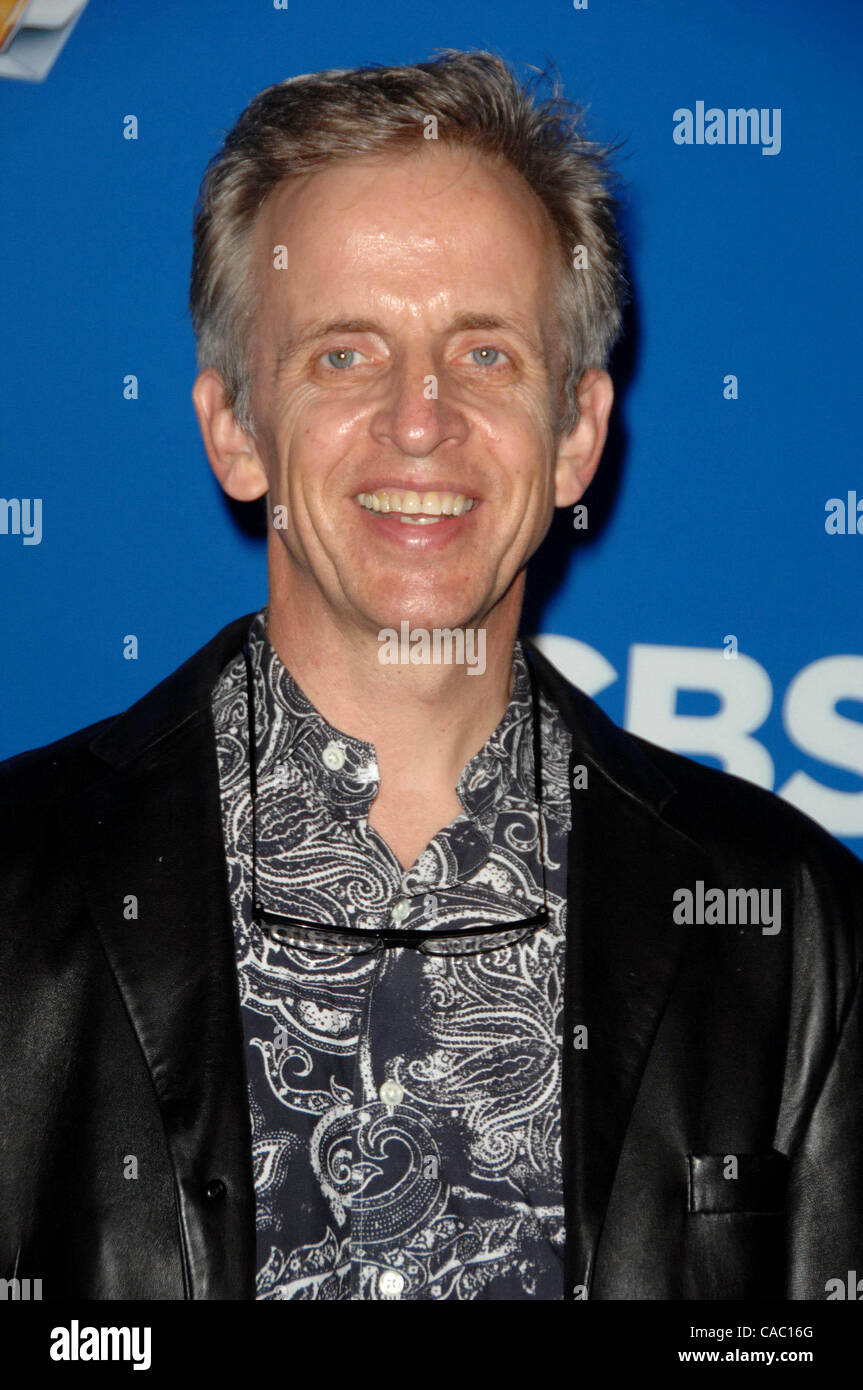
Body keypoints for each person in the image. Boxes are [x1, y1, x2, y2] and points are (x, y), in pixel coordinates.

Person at [1, 50, 860, 1302]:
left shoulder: (790, 931)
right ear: (234, 429)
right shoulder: (17, 889)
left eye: (485, 355)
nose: (420, 419)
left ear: (574, 434)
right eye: (344, 356)